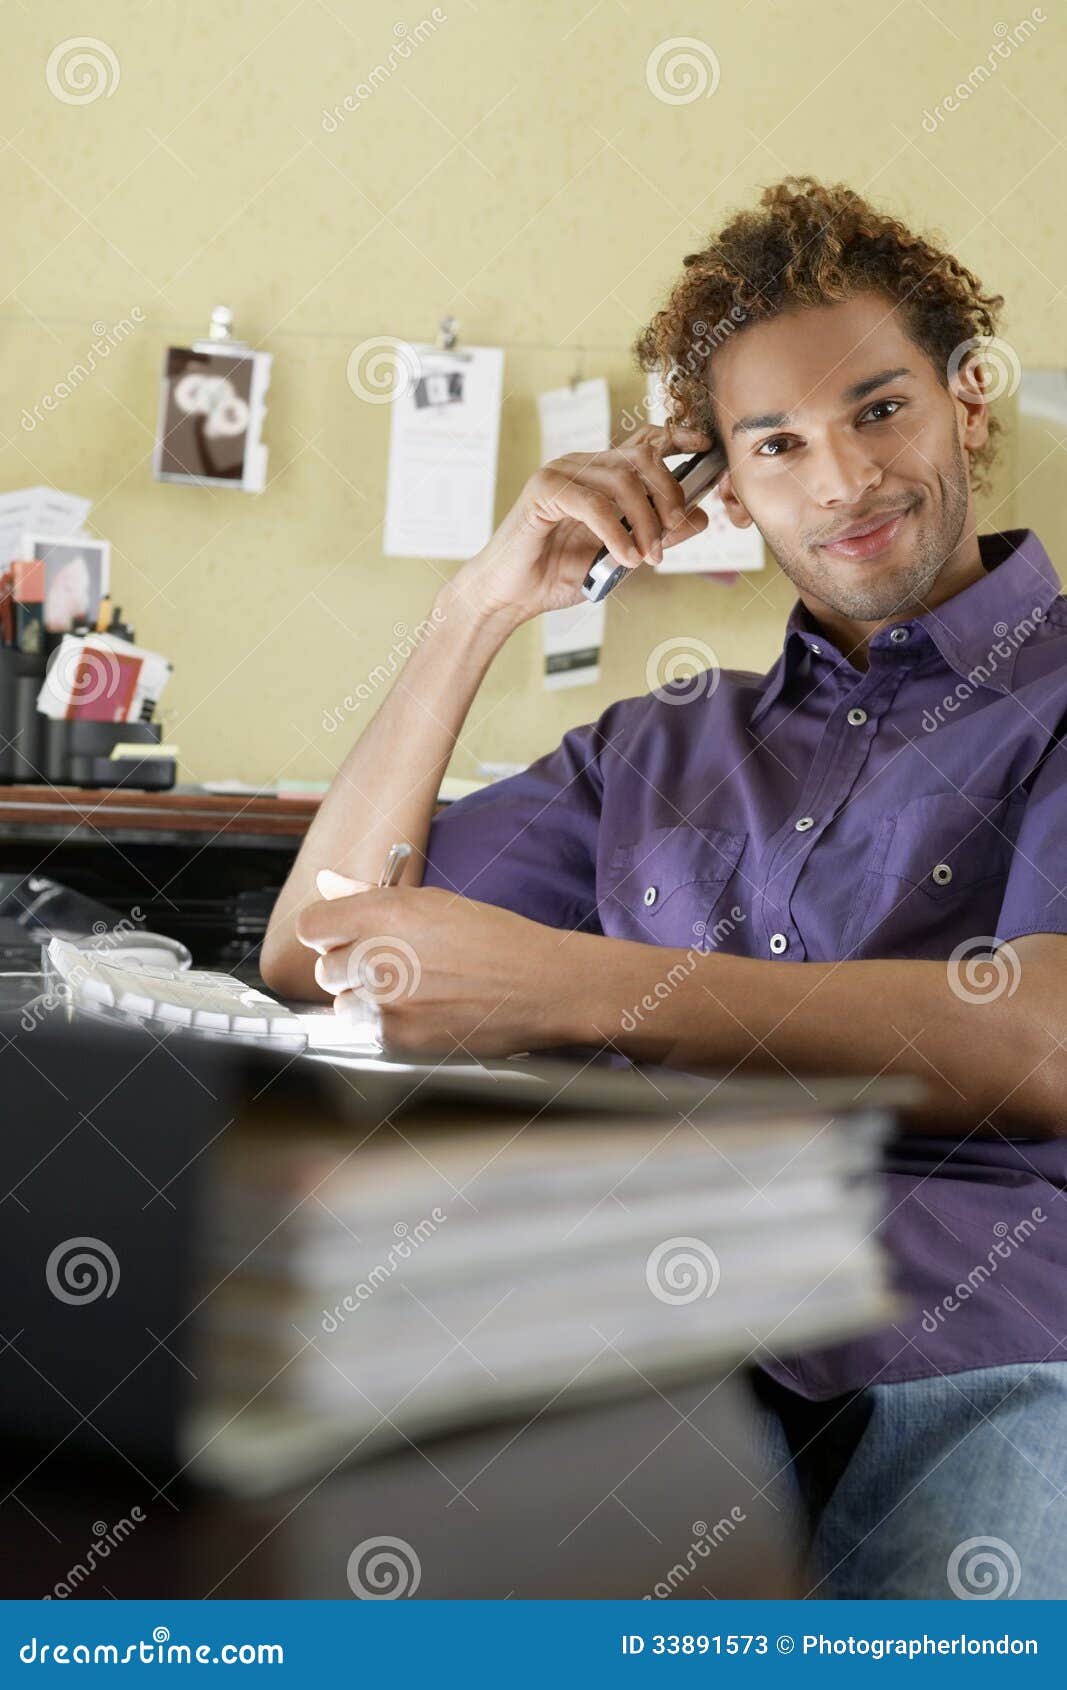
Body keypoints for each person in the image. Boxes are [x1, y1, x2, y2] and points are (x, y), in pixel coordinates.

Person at [262, 176, 1067, 1598]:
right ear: (715, 487)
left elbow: (1042, 1038)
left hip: (985, 1349)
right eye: (776, 445)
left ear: (968, 405)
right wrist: (479, 609)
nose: (842, 481)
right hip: (645, 1331)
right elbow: (313, 951)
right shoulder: (651, 747)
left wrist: (574, 987)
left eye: (880, 409)